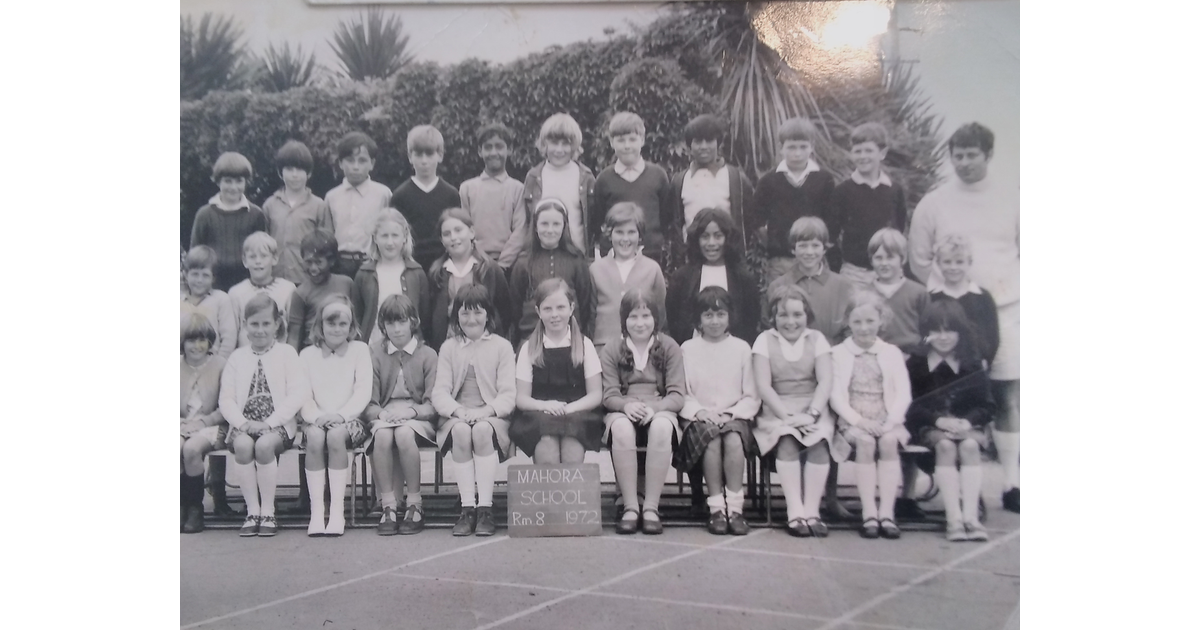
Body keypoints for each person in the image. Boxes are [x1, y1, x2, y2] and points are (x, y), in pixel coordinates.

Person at [908, 122, 1019, 513]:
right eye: (958, 155)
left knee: (1005, 395)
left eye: (973, 155)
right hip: (947, 316)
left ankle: (1012, 483)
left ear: (989, 155)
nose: (965, 162)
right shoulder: (934, 203)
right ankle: (939, 484)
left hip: (1004, 308)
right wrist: (948, 295)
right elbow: (919, 258)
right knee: (937, 394)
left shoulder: (1013, 197)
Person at [905, 300, 997, 542]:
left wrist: (967, 422)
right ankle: (954, 519)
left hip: (966, 426)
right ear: (926, 333)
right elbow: (911, 406)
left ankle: (971, 518)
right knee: (946, 446)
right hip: (929, 427)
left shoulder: (972, 362)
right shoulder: (917, 363)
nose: (943, 337)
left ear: (961, 332)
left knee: (969, 445)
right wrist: (938, 421)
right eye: (936, 330)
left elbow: (987, 405)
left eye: (950, 330)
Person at [430, 285, 517, 537]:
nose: (471, 319)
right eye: (464, 313)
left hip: (491, 416)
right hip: (458, 416)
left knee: (481, 430)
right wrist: (458, 411)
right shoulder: (449, 347)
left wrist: (486, 411)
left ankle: (485, 509)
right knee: (460, 431)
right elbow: (440, 393)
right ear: (456, 315)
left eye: (478, 312)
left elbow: (508, 394)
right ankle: (467, 508)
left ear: (488, 314)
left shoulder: (502, 346)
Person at [751, 285, 838, 538]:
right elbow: (764, 386)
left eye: (797, 315)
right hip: (777, 409)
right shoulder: (764, 340)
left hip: (812, 408)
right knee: (787, 439)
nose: (791, 322)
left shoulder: (817, 339)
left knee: (819, 442)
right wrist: (787, 418)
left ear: (807, 314)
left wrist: (811, 414)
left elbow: (825, 382)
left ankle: (812, 511)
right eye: (783, 315)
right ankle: (795, 511)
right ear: (773, 317)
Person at [219, 294, 308, 537]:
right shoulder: (237, 357)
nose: (260, 330)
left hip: (277, 425)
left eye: (266, 324)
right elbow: (226, 399)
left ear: (277, 324)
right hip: (244, 425)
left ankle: (268, 511)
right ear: (245, 324)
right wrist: (242, 423)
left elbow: (298, 393)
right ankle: (252, 511)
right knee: (243, 446)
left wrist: (269, 423)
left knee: (265, 446)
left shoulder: (287, 353)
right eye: (254, 324)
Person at [599, 290, 685, 535]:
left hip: (659, 407)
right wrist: (625, 406)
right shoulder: (612, 348)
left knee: (662, 427)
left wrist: (655, 408)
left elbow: (677, 395)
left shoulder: (669, 347)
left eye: (646, 316)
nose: (640, 323)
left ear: (656, 318)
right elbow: (609, 395)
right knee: (621, 428)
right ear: (623, 319)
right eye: (633, 316)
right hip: (623, 408)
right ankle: (630, 506)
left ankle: (650, 507)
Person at [676, 287, 761, 536]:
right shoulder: (688, 349)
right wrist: (700, 412)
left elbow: (751, 394)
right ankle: (716, 509)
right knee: (711, 437)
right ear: (698, 319)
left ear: (730, 316)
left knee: (733, 437)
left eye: (721, 314)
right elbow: (683, 392)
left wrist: (731, 414)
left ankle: (735, 509)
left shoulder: (742, 348)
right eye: (708, 315)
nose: (715, 321)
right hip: (700, 417)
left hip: (734, 415)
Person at [829, 292, 912, 540]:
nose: (864, 328)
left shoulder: (891, 352)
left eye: (870, 321)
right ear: (847, 322)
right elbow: (836, 397)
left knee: (888, 442)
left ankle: (887, 512)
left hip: (886, 420)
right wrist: (860, 422)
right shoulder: (838, 353)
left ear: (881, 320)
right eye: (857, 322)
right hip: (853, 422)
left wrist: (889, 422)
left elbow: (904, 394)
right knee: (865, 443)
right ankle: (869, 513)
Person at [362, 295, 439, 536]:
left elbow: (433, 403)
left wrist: (410, 412)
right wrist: (383, 414)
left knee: (404, 434)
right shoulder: (374, 353)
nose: (396, 329)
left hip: (417, 416)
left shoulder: (428, 354)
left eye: (402, 322)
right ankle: (388, 505)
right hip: (385, 414)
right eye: (390, 323)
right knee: (383, 436)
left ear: (413, 321)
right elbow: (369, 403)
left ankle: (415, 503)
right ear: (382, 325)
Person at [297, 299, 371, 537]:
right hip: (316, 420)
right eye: (331, 323)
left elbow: (363, 391)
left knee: (336, 436)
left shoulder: (360, 350)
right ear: (320, 325)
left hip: (350, 419)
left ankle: (337, 511)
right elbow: (303, 395)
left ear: (351, 327)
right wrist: (317, 417)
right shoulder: (307, 355)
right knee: (316, 437)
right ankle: (318, 511)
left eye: (343, 324)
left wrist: (341, 415)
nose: (337, 329)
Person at [511, 278, 605, 464]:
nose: (554, 314)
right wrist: (544, 406)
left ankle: (573, 484)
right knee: (547, 445)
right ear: (538, 311)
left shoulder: (584, 345)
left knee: (572, 444)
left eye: (560, 307)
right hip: (540, 414)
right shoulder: (529, 348)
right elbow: (521, 398)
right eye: (547, 309)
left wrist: (569, 408)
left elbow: (595, 394)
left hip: (578, 413)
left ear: (571, 308)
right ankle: (546, 484)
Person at [747, 117, 836, 286]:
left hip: (815, 258)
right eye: (791, 147)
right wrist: (776, 243)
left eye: (803, 147)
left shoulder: (824, 179)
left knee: (816, 299)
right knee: (782, 298)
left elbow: (832, 219)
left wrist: (819, 246)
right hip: (781, 261)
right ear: (781, 148)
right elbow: (757, 220)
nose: (797, 153)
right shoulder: (768, 181)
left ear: (812, 147)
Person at [665, 207, 759, 346]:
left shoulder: (743, 278)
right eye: (705, 236)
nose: (711, 243)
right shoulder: (682, 277)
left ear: (728, 238)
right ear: (696, 239)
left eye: (718, 236)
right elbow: (674, 321)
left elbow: (750, 324)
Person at [829, 122, 908, 287]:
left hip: (890, 271)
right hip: (855, 273)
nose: (862, 156)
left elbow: (899, 228)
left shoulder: (894, 190)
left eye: (868, 151)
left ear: (882, 153)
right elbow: (832, 235)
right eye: (857, 151)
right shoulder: (842, 191)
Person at [508, 198, 596, 342]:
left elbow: (584, 302)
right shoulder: (523, 262)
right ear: (535, 226)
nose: (550, 230)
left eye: (556, 224)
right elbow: (515, 307)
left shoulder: (576, 260)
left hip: (569, 338)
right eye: (544, 224)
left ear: (564, 226)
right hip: (531, 337)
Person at [591, 112, 674, 264]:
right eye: (621, 140)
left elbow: (666, 217)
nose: (627, 146)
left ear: (642, 140)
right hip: (614, 255)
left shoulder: (658, 175)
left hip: (650, 254)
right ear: (612, 142)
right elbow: (598, 220)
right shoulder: (604, 179)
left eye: (632, 139)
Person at [669, 114, 756, 253]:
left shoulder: (736, 178)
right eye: (698, 142)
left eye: (709, 141)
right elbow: (676, 223)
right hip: (692, 256)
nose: (703, 147)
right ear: (690, 145)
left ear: (718, 143)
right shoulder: (680, 180)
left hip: (728, 255)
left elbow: (749, 220)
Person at [426, 208, 511, 351]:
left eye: (458, 230)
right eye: (447, 234)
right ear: (441, 240)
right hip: (450, 346)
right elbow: (430, 316)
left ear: (471, 232)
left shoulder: (489, 269)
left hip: (485, 345)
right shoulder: (437, 273)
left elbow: (505, 311)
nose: (453, 237)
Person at [589, 202, 666, 349]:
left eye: (631, 232)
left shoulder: (652, 269)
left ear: (640, 235)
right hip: (603, 347)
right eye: (619, 232)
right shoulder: (596, 269)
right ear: (609, 234)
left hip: (642, 347)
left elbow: (660, 314)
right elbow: (590, 316)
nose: (625, 239)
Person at [521, 113, 597, 257]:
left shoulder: (585, 177)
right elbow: (526, 222)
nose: (559, 150)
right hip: (542, 256)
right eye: (554, 143)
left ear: (574, 146)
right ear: (544, 144)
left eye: (565, 144)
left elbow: (593, 221)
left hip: (577, 256)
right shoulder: (533, 177)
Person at [189, 151, 267, 291]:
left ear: (246, 182)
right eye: (228, 181)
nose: (233, 187)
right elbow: (195, 255)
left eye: (239, 181)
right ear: (218, 181)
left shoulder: (256, 214)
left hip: (247, 286)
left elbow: (262, 252)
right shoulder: (204, 214)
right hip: (213, 286)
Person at [353, 209, 431, 347]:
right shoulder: (364, 274)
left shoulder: (416, 273)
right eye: (384, 236)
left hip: (409, 346)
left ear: (404, 237)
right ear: (375, 238)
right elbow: (357, 316)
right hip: (373, 344)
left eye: (395, 235)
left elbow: (424, 317)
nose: (390, 242)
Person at [262, 140, 334, 285]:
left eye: (300, 170)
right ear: (280, 173)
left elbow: (327, 245)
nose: (294, 175)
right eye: (289, 169)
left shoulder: (319, 205)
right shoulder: (270, 205)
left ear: (309, 173)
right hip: (276, 280)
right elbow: (263, 243)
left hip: (307, 279)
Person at [180, 314, 227, 534]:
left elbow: (227, 406)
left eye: (202, 340)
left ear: (209, 341)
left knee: (191, 449)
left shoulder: (220, 365)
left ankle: (195, 509)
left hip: (212, 424)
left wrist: (202, 422)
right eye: (191, 340)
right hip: (182, 423)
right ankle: (181, 505)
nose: (197, 346)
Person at [391, 125, 461, 270]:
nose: (424, 161)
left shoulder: (451, 194)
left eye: (429, 154)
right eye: (418, 154)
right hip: (411, 266)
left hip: (445, 265)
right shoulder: (400, 196)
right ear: (410, 157)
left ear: (440, 155)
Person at [458, 122, 526, 271]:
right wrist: (479, 260)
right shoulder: (467, 188)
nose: (494, 153)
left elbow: (520, 231)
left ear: (509, 150)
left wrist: (501, 265)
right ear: (480, 151)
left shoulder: (517, 189)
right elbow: (464, 229)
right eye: (488, 147)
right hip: (476, 264)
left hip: (509, 265)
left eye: (499, 147)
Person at [326, 132, 393, 279]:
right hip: (339, 265)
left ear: (372, 164)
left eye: (362, 161)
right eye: (350, 160)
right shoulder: (332, 197)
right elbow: (328, 235)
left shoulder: (383, 194)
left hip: (371, 263)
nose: (355, 167)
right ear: (340, 163)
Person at [927, 234, 1000, 368]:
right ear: (938, 263)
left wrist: (986, 360)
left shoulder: (982, 297)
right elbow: (926, 333)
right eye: (947, 262)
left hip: (974, 366)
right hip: (941, 366)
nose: (953, 267)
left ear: (969, 263)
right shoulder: (931, 297)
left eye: (959, 262)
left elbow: (992, 336)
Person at [287, 230, 358, 352]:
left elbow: (355, 322)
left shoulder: (347, 283)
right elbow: (294, 336)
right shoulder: (300, 293)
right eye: (308, 262)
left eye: (319, 262)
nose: (313, 268)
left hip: (343, 351)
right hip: (314, 352)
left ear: (331, 261)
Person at [865, 228, 928, 356]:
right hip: (876, 355)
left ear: (902, 259)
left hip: (912, 357)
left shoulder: (919, 292)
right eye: (878, 258)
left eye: (890, 257)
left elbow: (927, 330)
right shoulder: (865, 294)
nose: (884, 263)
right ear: (871, 260)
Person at [229, 232, 296, 348]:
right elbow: (232, 332)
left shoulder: (288, 289)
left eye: (263, 256)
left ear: (274, 259)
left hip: (279, 354)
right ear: (245, 261)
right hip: (247, 354)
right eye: (252, 257)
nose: (258, 261)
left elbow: (293, 328)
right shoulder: (236, 293)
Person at [181, 245, 237, 359]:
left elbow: (229, 338)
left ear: (213, 278)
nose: (199, 280)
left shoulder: (221, 299)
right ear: (186, 274)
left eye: (205, 275)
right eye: (195, 274)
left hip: (213, 362)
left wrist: (219, 363)